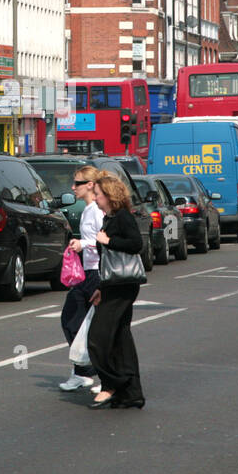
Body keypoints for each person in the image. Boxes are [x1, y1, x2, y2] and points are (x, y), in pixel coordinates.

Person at [87, 172, 145, 409]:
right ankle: (131, 394)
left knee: (97, 339)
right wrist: (100, 288)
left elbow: (136, 244)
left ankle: (111, 384)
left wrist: (108, 241)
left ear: (110, 196)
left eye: (99, 195)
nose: (96, 199)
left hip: (123, 286)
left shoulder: (122, 217)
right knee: (121, 340)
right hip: (112, 285)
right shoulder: (109, 218)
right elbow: (107, 262)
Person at [59, 165, 103, 393]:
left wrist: (83, 243)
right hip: (85, 272)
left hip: (96, 273)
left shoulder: (97, 210)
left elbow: (107, 240)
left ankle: (102, 375)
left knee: (96, 327)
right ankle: (83, 373)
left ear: (90, 185)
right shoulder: (87, 210)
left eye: (77, 183)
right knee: (70, 320)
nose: (72, 187)